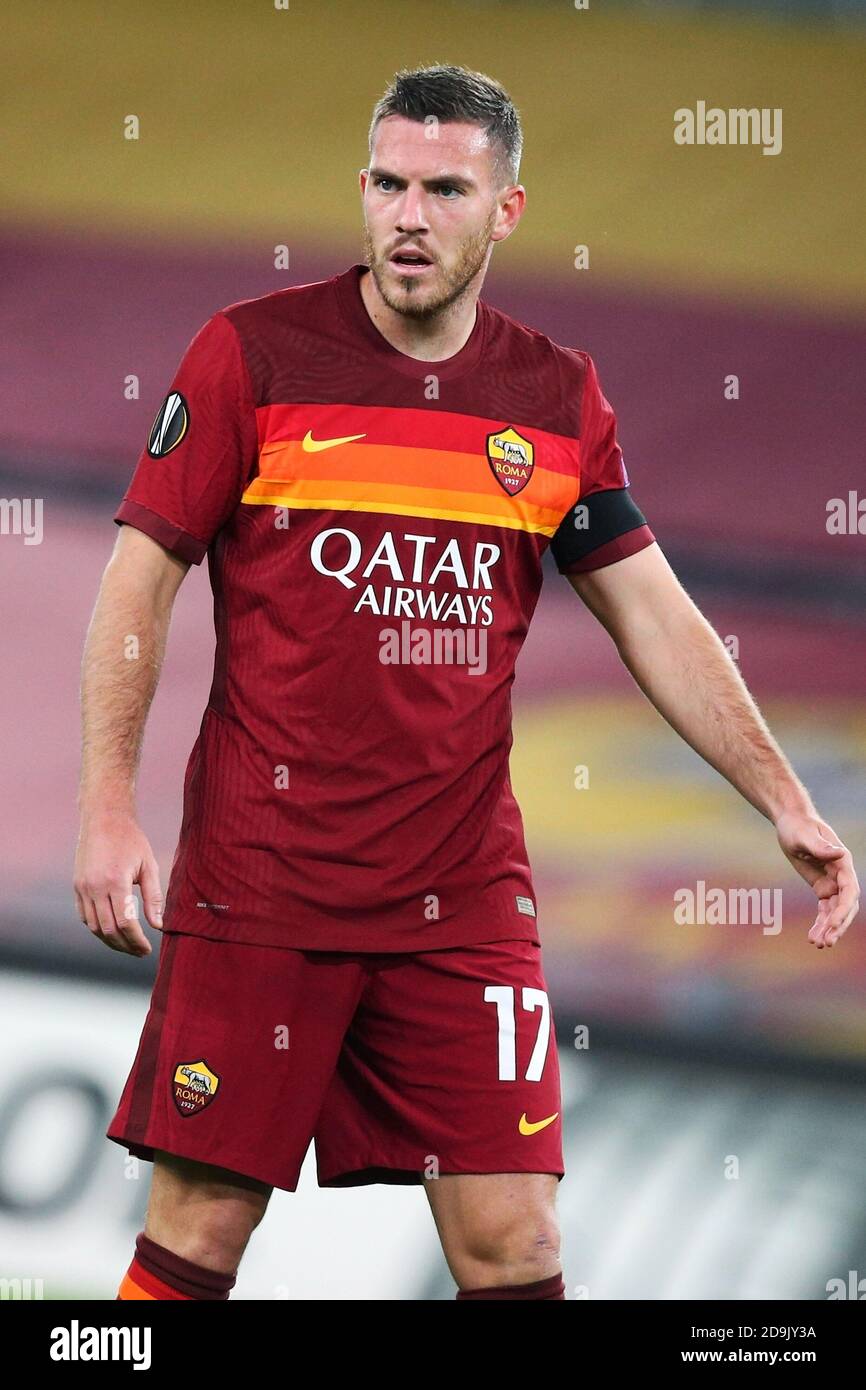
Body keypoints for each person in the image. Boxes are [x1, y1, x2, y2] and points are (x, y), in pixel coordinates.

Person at [74, 64, 859, 1302]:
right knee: (198, 1235)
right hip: (262, 881)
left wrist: (779, 796)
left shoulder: (554, 398)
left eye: (445, 189)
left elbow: (648, 608)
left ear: (506, 212)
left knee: (518, 1247)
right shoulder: (250, 356)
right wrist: (106, 806)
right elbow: (138, 576)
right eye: (386, 183)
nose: (407, 216)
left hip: (462, 898)